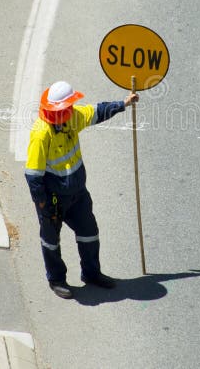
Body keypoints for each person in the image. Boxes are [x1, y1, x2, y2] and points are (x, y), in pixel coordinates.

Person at [24, 80, 139, 299]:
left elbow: (97, 111)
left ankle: (91, 273)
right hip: (53, 200)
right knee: (51, 241)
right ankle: (57, 280)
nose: (59, 114)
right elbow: (33, 175)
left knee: (89, 234)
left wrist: (124, 103)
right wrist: (42, 204)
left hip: (78, 195)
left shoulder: (73, 117)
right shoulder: (41, 134)